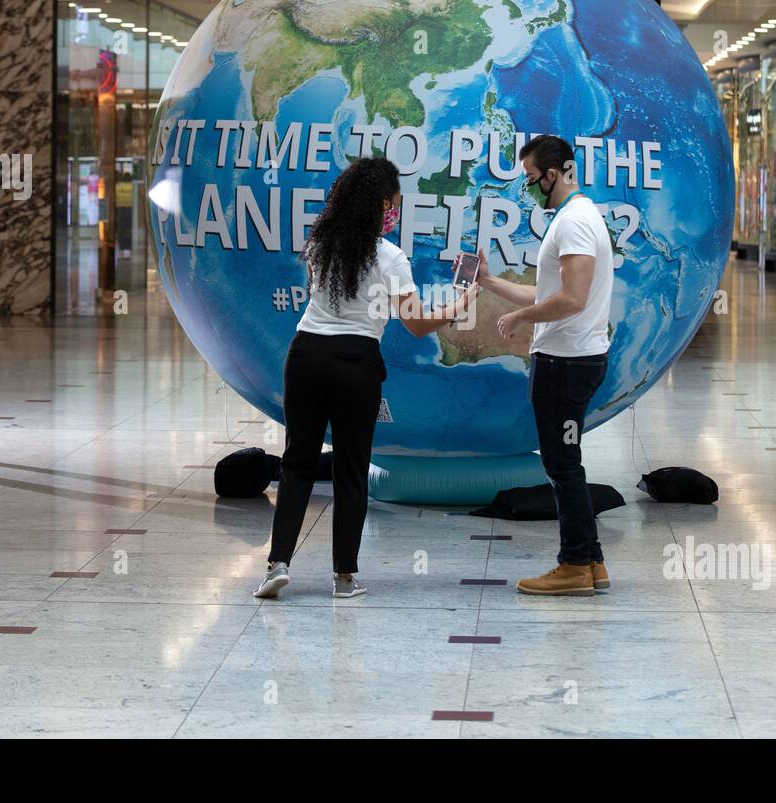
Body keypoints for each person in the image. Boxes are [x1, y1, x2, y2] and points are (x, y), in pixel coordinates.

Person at [254, 157, 478, 600]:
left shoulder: (319, 244)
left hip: (305, 356)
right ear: (380, 206)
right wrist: (459, 305)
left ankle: (277, 565)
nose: (396, 210)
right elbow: (414, 323)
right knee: (351, 470)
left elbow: (324, 295)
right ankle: (344, 578)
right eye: (394, 203)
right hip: (356, 363)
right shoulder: (390, 257)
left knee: (297, 463)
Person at [476, 134, 615, 596]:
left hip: (565, 362)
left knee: (561, 465)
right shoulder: (577, 218)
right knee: (566, 462)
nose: (528, 188)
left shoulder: (574, 222)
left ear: (552, 174)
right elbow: (548, 293)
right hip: (573, 357)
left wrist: (520, 319)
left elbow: (570, 300)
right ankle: (592, 562)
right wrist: (491, 283)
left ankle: (573, 563)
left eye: (532, 179)